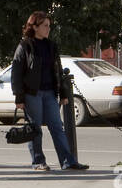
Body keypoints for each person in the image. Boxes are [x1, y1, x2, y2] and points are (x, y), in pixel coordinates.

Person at [11, 12, 89, 172]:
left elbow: (58, 71)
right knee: (35, 129)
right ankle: (38, 162)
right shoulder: (25, 46)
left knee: (57, 127)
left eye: (49, 25)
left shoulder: (51, 46)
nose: (48, 29)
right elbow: (16, 73)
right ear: (35, 26)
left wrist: (64, 93)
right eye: (45, 25)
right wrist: (19, 96)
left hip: (49, 93)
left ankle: (68, 162)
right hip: (32, 94)